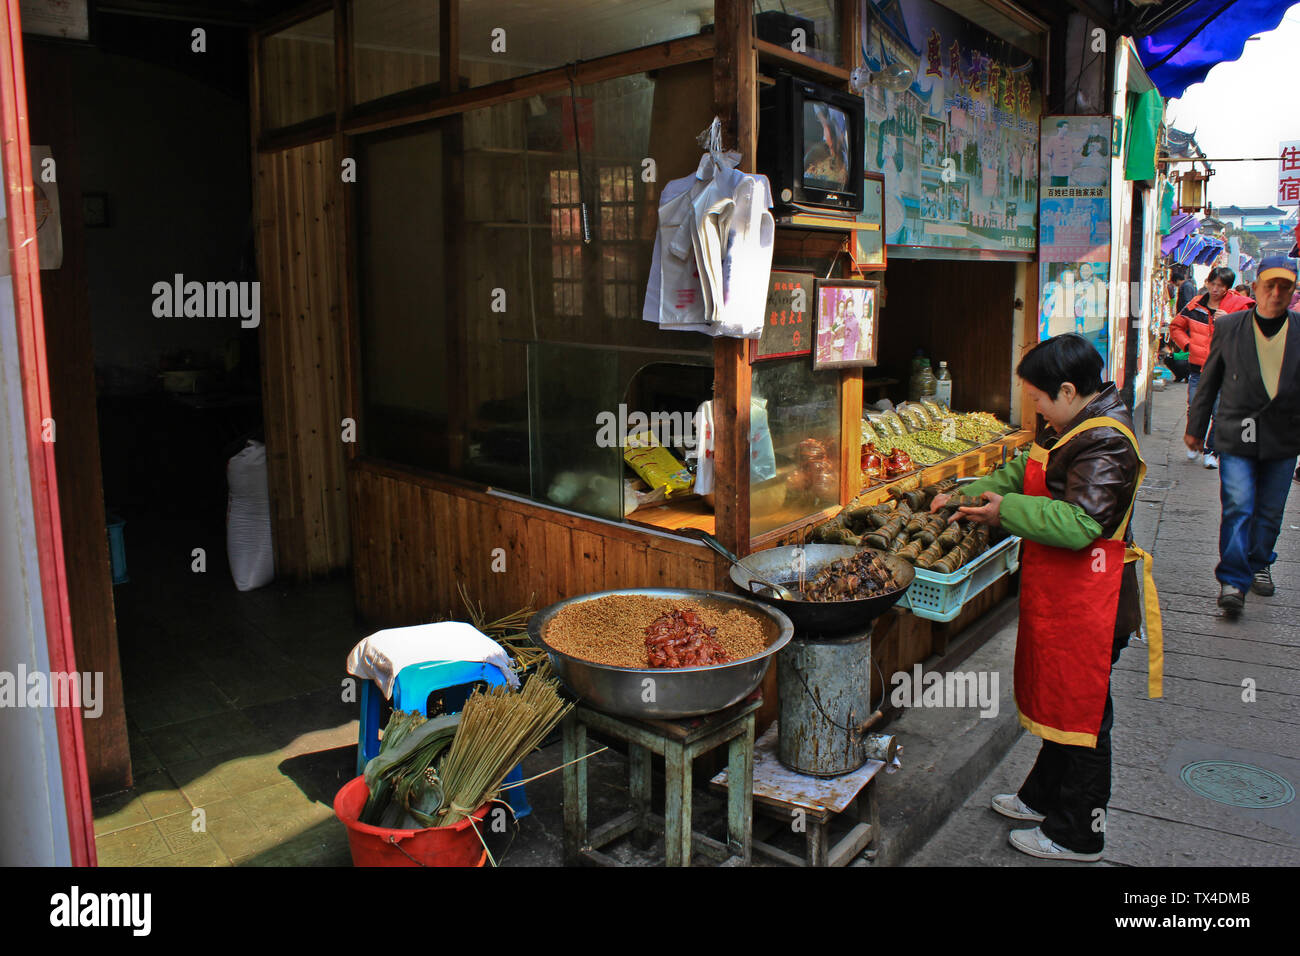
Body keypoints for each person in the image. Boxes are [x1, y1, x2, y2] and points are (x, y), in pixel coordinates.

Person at [932, 334, 1161, 862]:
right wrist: (970, 491)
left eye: (1036, 397)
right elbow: (1024, 475)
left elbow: (1082, 522)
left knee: (1085, 716)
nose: (1032, 406)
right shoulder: (1067, 425)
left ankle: (1079, 832)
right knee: (1062, 703)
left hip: (1094, 601)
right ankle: (1041, 799)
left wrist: (1002, 513)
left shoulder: (1107, 442)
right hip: (1062, 594)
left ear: (1065, 388)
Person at [1186, 255, 1300, 613]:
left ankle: (1259, 562)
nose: (1277, 293)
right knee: (1238, 505)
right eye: (1271, 285)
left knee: (1269, 510)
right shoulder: (1231, 326)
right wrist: (1196, 427)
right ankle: (1233, 580)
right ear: (1256, 288)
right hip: (1238, 432)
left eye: (1286, 286)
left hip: (1283, 437)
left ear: (1294, 291)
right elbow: (1210, 380)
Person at [1169, 266, 1254, 468]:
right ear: (1207, 282)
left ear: (1227, 288)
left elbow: (1250, 334)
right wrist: (1188, 345)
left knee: (1218, 411)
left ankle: (1211, 450)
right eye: (1212, 283)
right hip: (1198, 369)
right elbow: (1176, 326)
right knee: (1195, 409)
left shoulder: (1238, 307)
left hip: (1224, 369)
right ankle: (1195, 441)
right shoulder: (1196, 304)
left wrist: (1230, 321)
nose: (1215, 289)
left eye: (1220, 286)